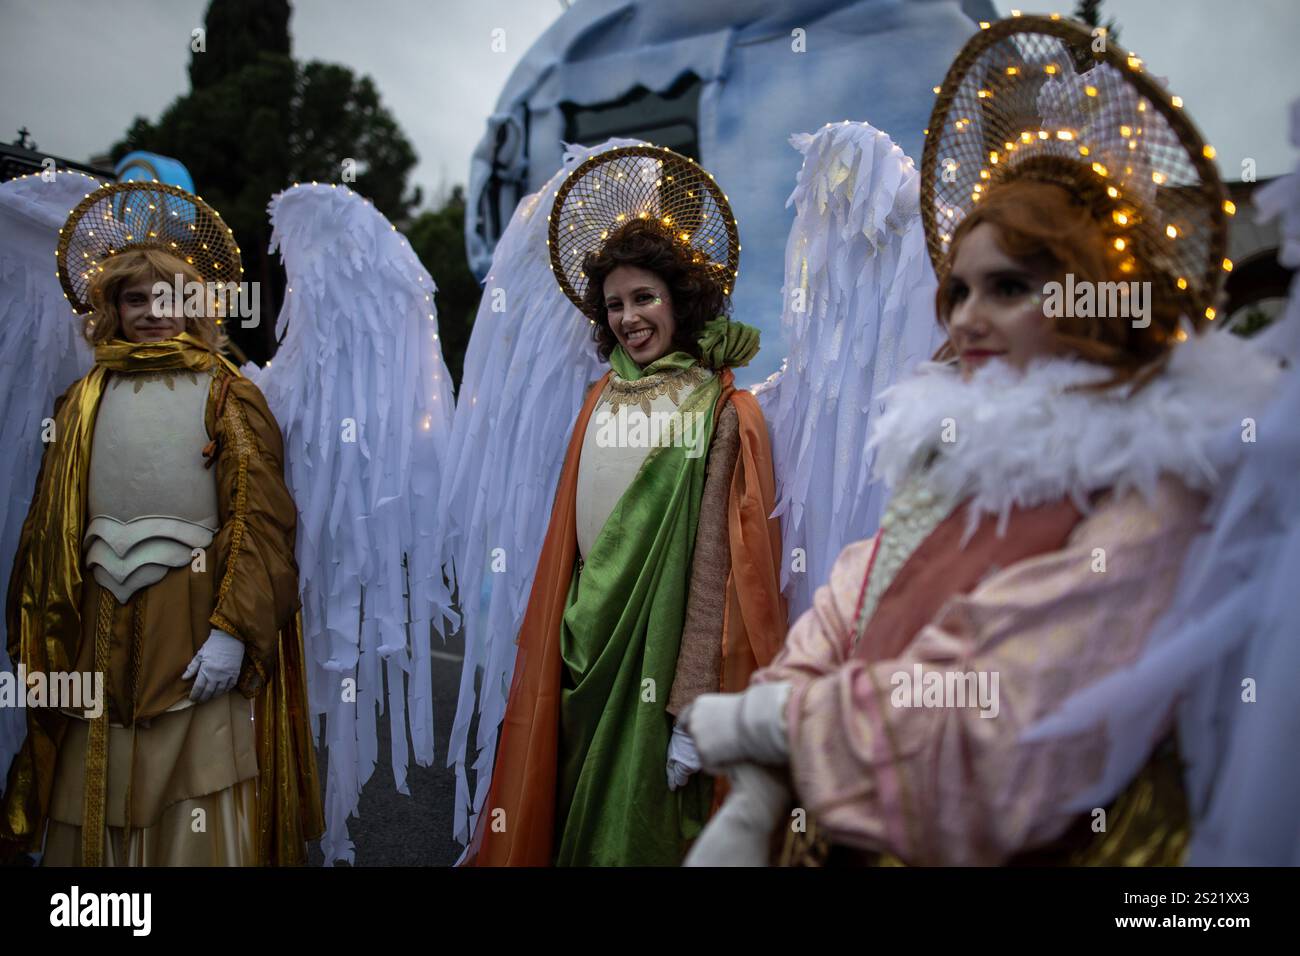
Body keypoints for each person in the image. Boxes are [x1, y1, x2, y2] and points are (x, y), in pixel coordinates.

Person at [679, 15, 1280, 866]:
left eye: (1009, 287)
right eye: (956, 290)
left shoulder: (1156, 475)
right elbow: (857, 595)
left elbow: (1001, 718)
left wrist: (771, 723)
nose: (966, 318)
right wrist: (766, 790)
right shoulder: (954, 442)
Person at [463, 146, 786, 866]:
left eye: (645, 298)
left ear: (680, 299)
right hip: (582, 648)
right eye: (614, 305)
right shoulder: (595, 396)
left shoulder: (720, 408)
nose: (630, 317)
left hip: (657, 660)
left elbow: (715, 568)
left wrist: (692, 704)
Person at [0, 182, 321, 865]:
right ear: (110, 307)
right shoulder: (82, 398)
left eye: (167, 297)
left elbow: (259, 521)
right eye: (135, 298)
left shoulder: (229, 392)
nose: (151, 311)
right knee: (96, 778)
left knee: (196, 786)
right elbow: (47, 526)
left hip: (195, 616)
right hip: (96, 623)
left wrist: (234, 632)